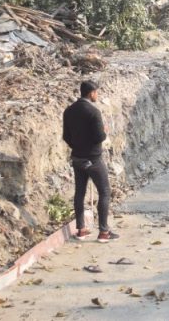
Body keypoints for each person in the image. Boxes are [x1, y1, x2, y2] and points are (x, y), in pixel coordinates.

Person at [62, 80, 119, 242]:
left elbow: (66, 136)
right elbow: (99, 137)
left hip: (77, 158)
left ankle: (81, 230)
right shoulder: (94, 112)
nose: (97, 95)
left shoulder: (69, 111)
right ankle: (103, 232)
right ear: (91, 93)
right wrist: (104, 131)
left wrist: (77, 147)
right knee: (105, 192)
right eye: (96, 92)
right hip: (93, 159)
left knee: (79, 193)